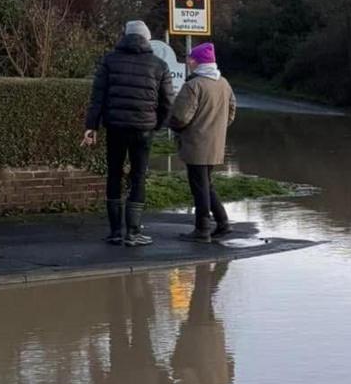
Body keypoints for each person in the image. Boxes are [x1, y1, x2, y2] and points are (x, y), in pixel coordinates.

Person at [83, 20, 174, 246]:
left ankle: (115, 232)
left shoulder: (109, 61)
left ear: (125, 36)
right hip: (143, 130)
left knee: (114, 174)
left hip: (115, 127)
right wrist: (156, 125)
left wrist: (91, 126)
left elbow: (98, 97)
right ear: (147, 38)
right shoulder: (159, 65)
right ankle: (133, 233)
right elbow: (167, 103)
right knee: (138, 177)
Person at [169, 42, 236, 242]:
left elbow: (180, 116)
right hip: (215, 142)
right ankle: (223, 223)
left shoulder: (193, 85)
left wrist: (173, 126)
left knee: (199, 186)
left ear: (199, 62)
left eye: (191, 58)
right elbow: (232, 111)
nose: (188, 61)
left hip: (196, 142)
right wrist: (219, 128)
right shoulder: (223, 83)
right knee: (206, 184)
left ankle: (202, 229)